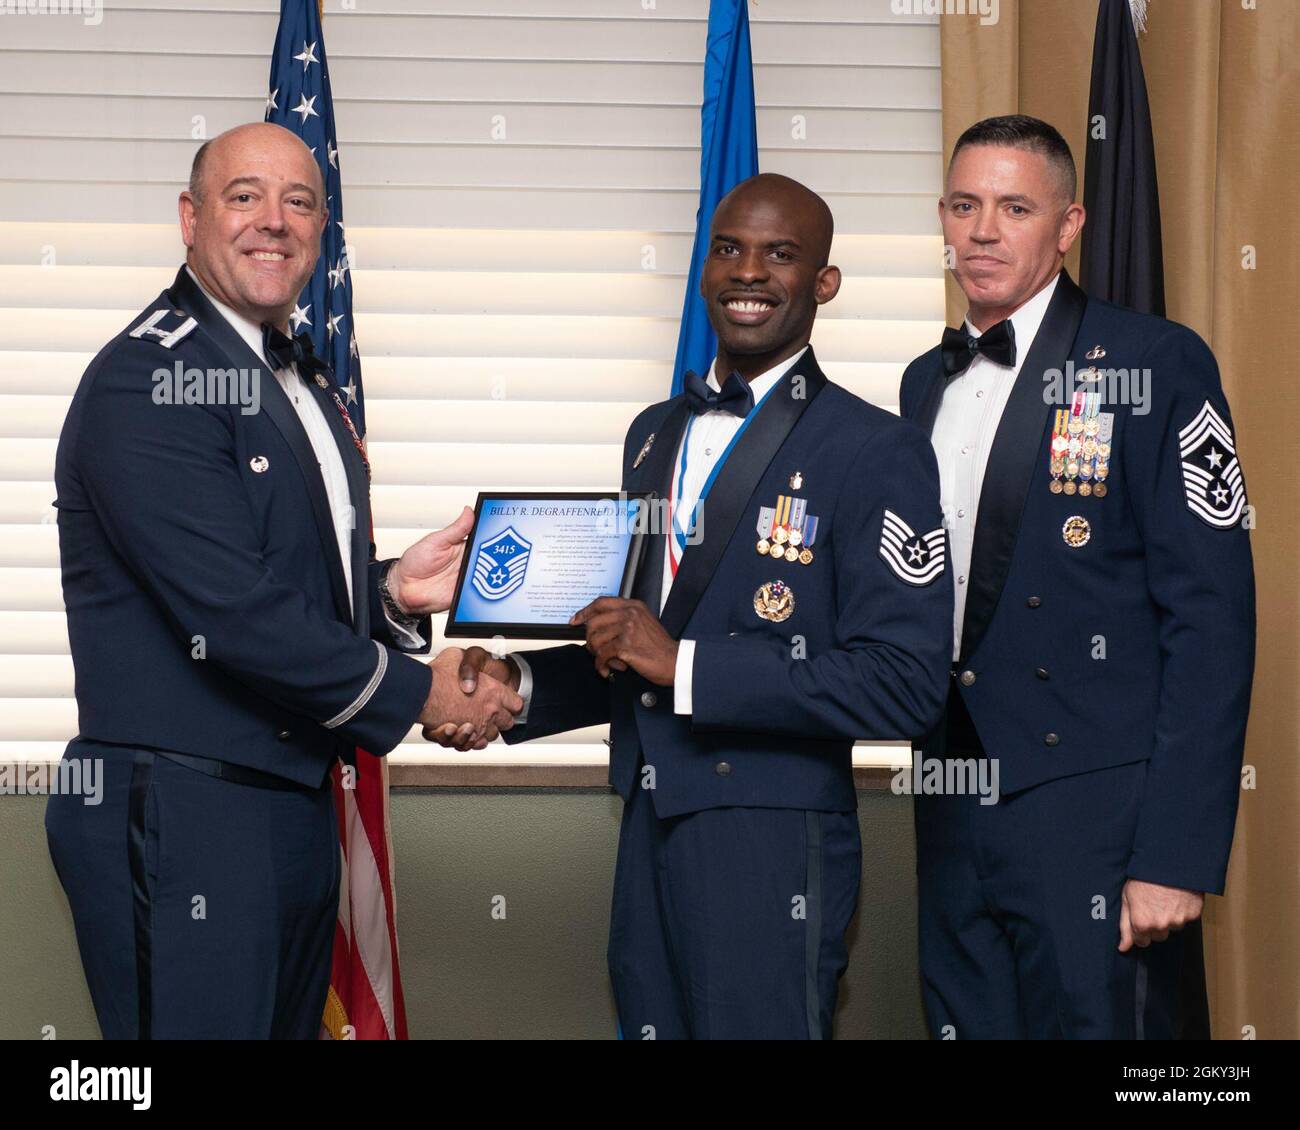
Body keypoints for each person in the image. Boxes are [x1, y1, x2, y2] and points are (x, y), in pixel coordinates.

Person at [45, 122, 521, 1039]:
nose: (274, 221)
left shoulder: (285, 370)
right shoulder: (154, 376)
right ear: (190, 218)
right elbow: (229, 610)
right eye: (244, 197)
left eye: (299, 201)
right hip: (183, 811)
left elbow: (274, 577)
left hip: (282, 803)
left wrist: (387, 596)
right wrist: (425, 693)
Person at [451, 173, 952, 1039]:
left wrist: (683, 664)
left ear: (824, 283)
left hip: (772, 836)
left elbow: (905, 685)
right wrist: (518, 685)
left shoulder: (878, 448)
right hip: (649, 818)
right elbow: (637, 641)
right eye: (729, 249)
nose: (748, 272)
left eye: (780, 254)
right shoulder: (653, 431)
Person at [900, 115, 1255, 1039]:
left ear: (1068, 226)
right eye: (966, 205)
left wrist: (1175, 854)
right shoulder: (919, 383)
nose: (983, 231)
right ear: (942, 216)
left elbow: (1210, 621)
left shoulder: (1155, 362)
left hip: (1098, 812)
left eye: (1015, 208)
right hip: (948, 796)